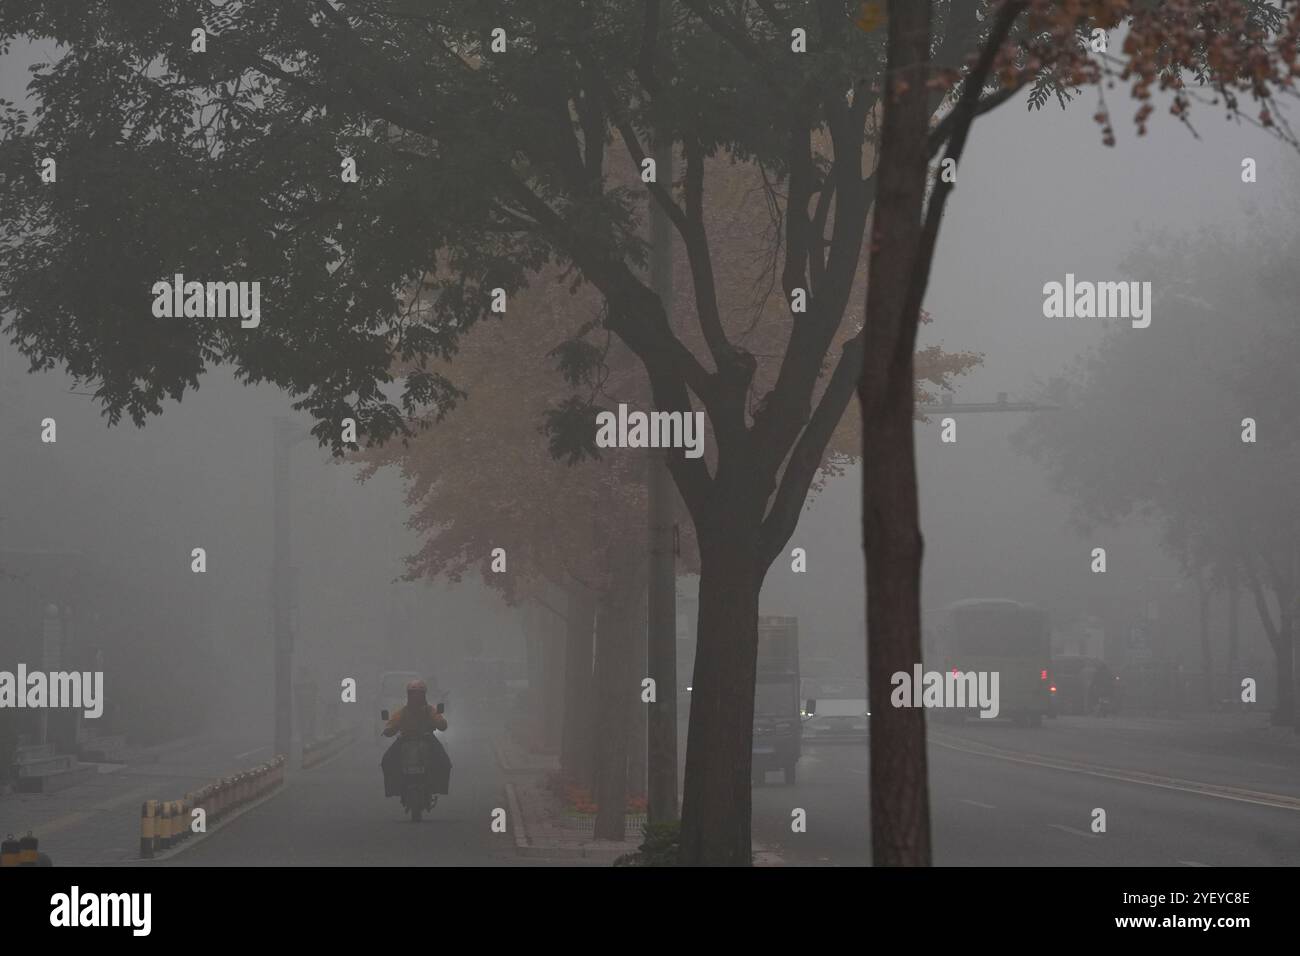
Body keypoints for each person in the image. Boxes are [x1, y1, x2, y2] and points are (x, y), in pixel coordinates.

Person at [380, 680, 451, 798]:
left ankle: (437, 786)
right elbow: (392, 724)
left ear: (424, 695)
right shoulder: (403, 711)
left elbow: (440, 722)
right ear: (408, 695)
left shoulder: (430, 710)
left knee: (444, 762)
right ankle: (395, 788)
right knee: (387, 761)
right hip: (405, 740)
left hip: (427, 739)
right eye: (413, 694)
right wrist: (388, 730)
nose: (416, 697)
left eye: (419, 694)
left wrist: (441, 723)